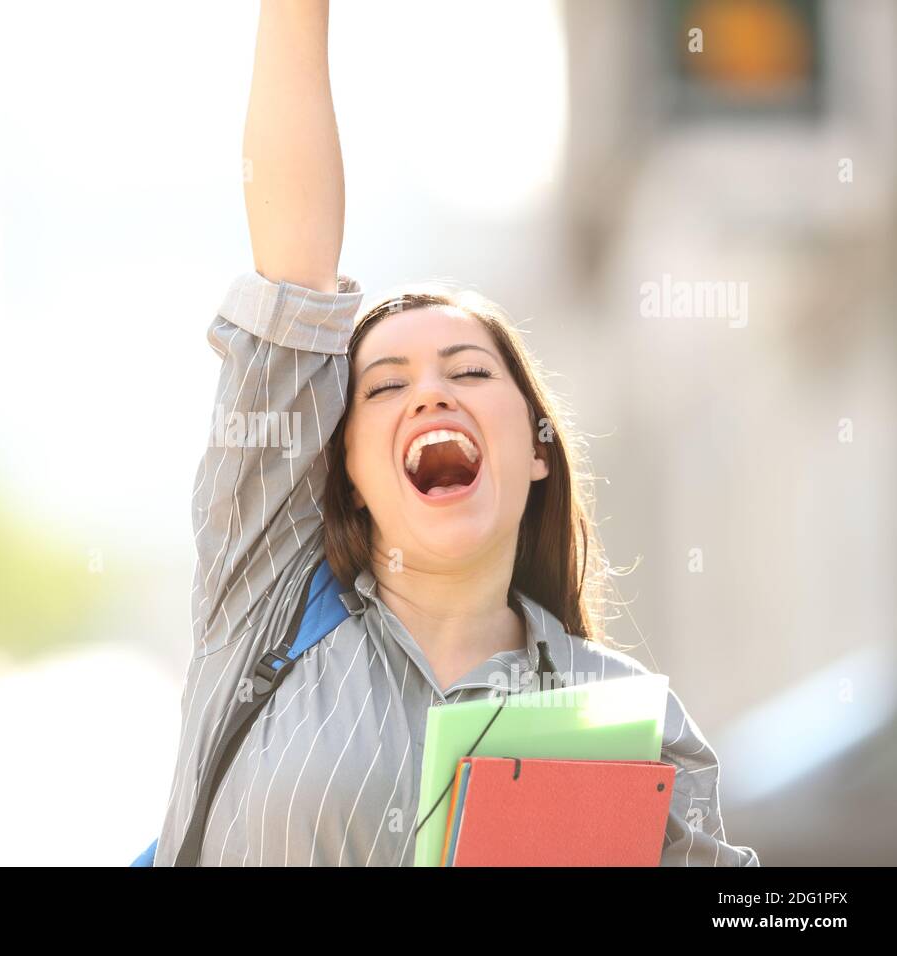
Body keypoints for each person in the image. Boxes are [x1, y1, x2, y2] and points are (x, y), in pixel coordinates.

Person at [152, 0, 760, 867]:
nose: (430, 395)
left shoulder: (629, 724)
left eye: (470, 372)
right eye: (387, 386)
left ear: (538, 445)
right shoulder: (264, 608)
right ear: (347, 467)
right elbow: (296, 273)